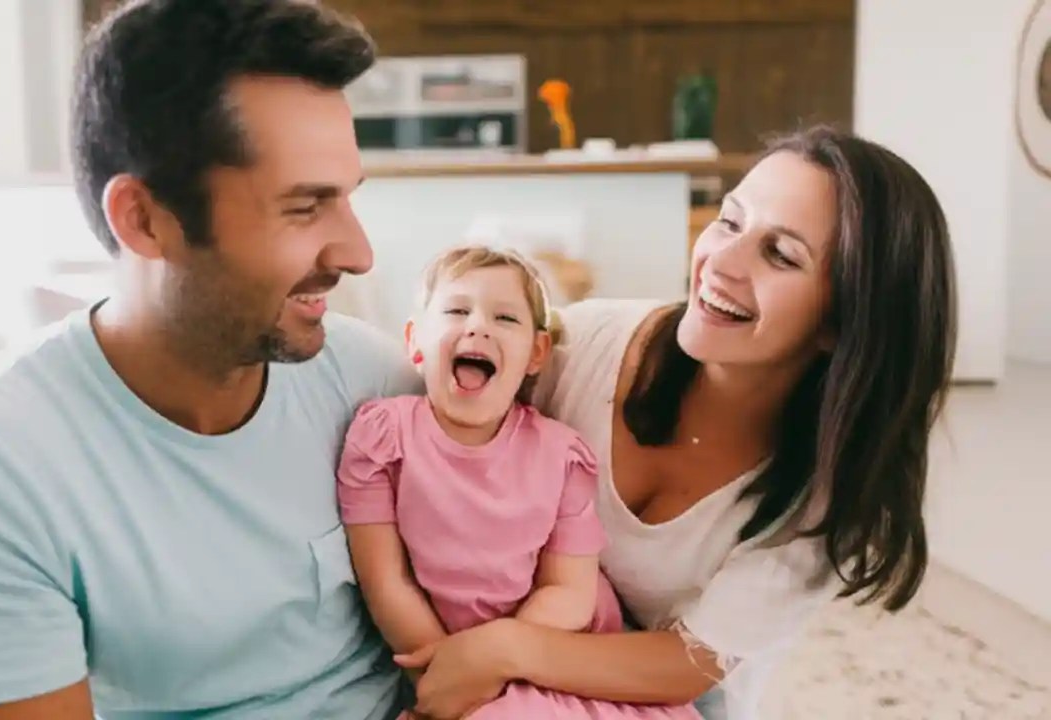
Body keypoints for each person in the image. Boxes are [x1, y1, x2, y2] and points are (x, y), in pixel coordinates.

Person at [0, 2, 420, 718]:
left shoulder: (376, 389)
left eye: (348, 199)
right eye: (303, 207)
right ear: (143, 220)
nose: (358, 253)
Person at [395, 126, 957, 720]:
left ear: (842, 322)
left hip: (669, 695)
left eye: (780, 255)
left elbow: (685, 666)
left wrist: (503, 651)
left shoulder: (827, 498)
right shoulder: (578, 349)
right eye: (730, 222)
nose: (722, 263)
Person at [337, 247, 698, 719]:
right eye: (456, 311)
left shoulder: (562, 456)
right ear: (415, 341)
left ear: (536, 353)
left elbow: (570, 593)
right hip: (436, 658)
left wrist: (494, 661)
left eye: (505, 318)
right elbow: (386, 581)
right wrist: (444, 677)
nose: (478, 326)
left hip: (553, 654)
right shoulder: (381, 437)